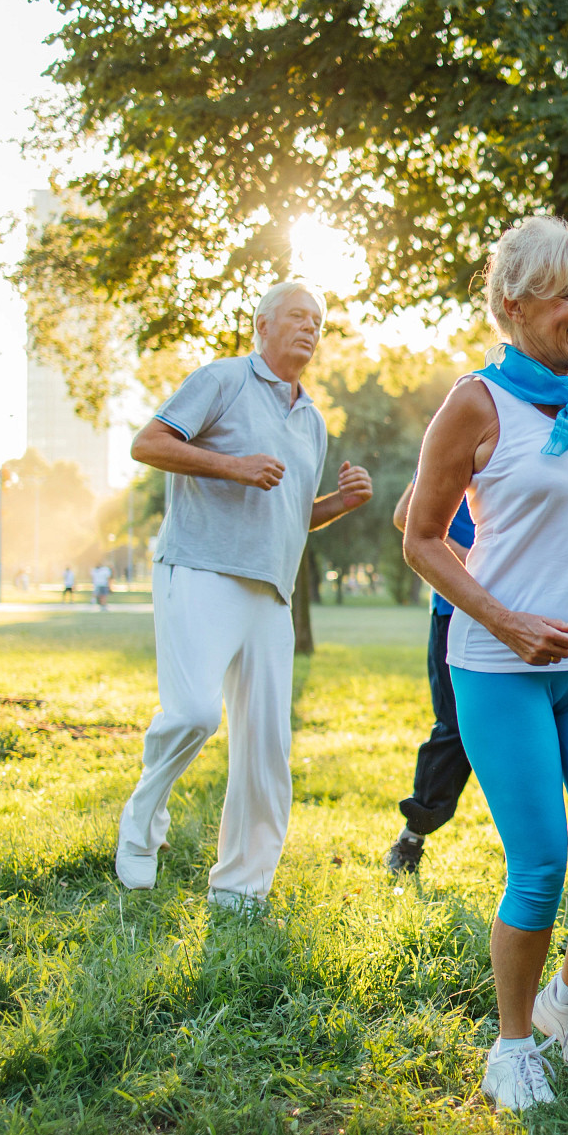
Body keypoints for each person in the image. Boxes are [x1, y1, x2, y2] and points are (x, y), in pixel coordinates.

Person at [401, 216, 568, 1112]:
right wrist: (506, 620)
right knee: (541, 866)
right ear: (513, 304)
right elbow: (422, 537)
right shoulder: (476, 402)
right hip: (498, 666)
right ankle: (513, 1044)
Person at [115, 280, 373, 909]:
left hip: (271, 595)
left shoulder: (311, 419)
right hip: (200, 569)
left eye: (317, 319)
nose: (309, 327)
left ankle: (241, 890)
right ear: (261, 324)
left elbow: (289, 511)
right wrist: (233, 465)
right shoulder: (222, 380)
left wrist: (340, 504)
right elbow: (147, 444)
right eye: (295, 316)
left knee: (265, 751)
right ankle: (141, 826)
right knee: (195, 713)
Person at [383, 492, 477, 876]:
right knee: (457, 729)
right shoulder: (463, 431)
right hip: (455, 610)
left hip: (528, 606)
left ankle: (533, 854)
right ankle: (413, 835)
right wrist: (479, 562)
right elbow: (407, 515)